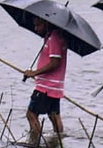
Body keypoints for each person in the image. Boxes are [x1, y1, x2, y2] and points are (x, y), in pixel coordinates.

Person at [22, 16, 68, 146]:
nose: (36, 29)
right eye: (35, 25)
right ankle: (57, 142)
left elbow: (55, 63)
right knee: (54, 115)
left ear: (47, 23)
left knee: (31, 114)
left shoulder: (53, 38)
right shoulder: (56, 36)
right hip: (54, 87)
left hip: (46, 87)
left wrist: (34, 73)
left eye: (38, 25)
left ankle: (34, 142)